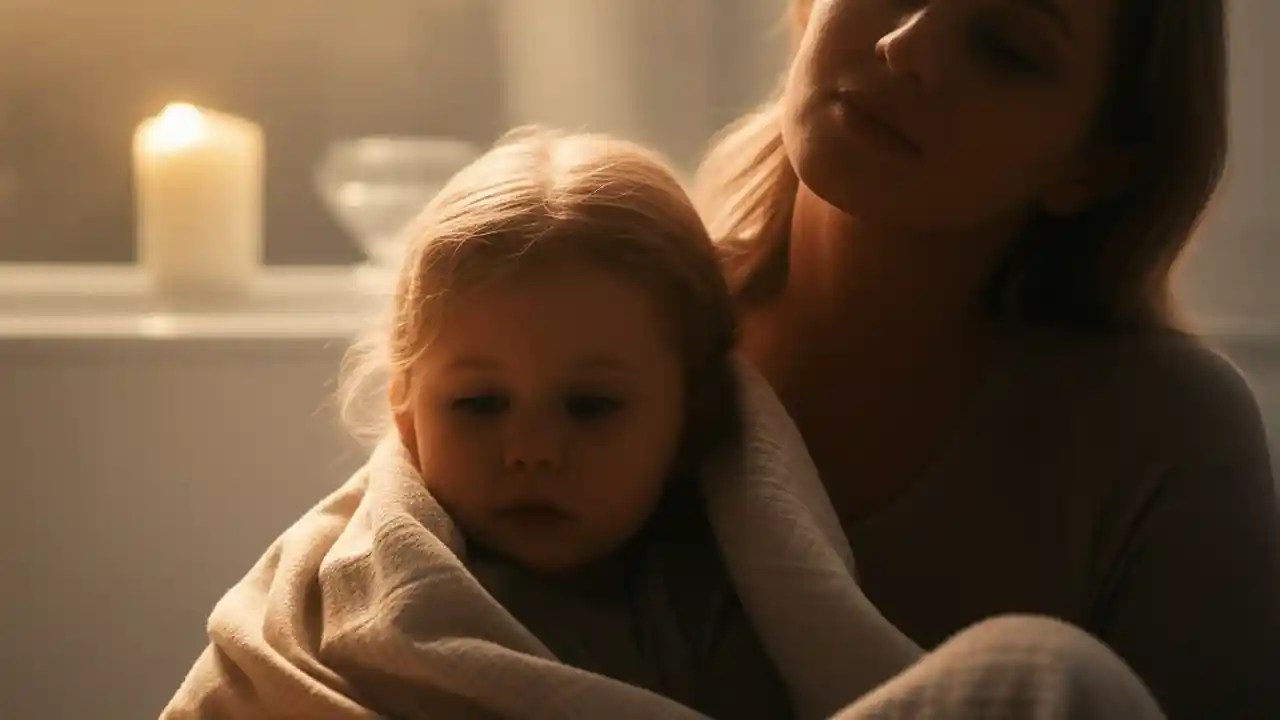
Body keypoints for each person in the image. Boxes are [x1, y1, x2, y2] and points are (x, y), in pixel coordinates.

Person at [697, 1, 1280, 718]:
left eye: (1003, 46)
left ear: (1095, 164)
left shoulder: (1166, 443)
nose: (906, 45)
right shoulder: (601, 336)